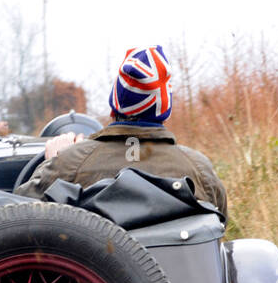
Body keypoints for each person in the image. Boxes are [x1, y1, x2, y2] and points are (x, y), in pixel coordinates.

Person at [14, 46, 227, 219]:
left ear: (113, 108)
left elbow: (16, 213)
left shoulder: (70, 164)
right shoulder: (200, 170)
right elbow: (218, 227)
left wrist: (53, 162)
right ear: (164, 113)